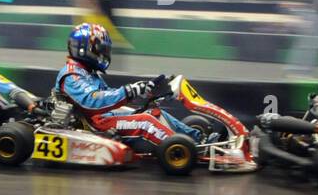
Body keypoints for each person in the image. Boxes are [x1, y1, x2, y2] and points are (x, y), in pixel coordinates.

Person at [52, 23, 205, 150]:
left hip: (104, 118)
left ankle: (198, 140)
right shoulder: (71, 75)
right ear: (84, 48)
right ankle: (186, 149)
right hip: (94, 125)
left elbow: (108, 95)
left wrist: (142, 91)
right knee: (146, 122)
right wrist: (129, 91)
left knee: (155, 113)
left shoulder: (88, 73)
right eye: (100, 50)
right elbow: (92, 101)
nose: (103, 54)